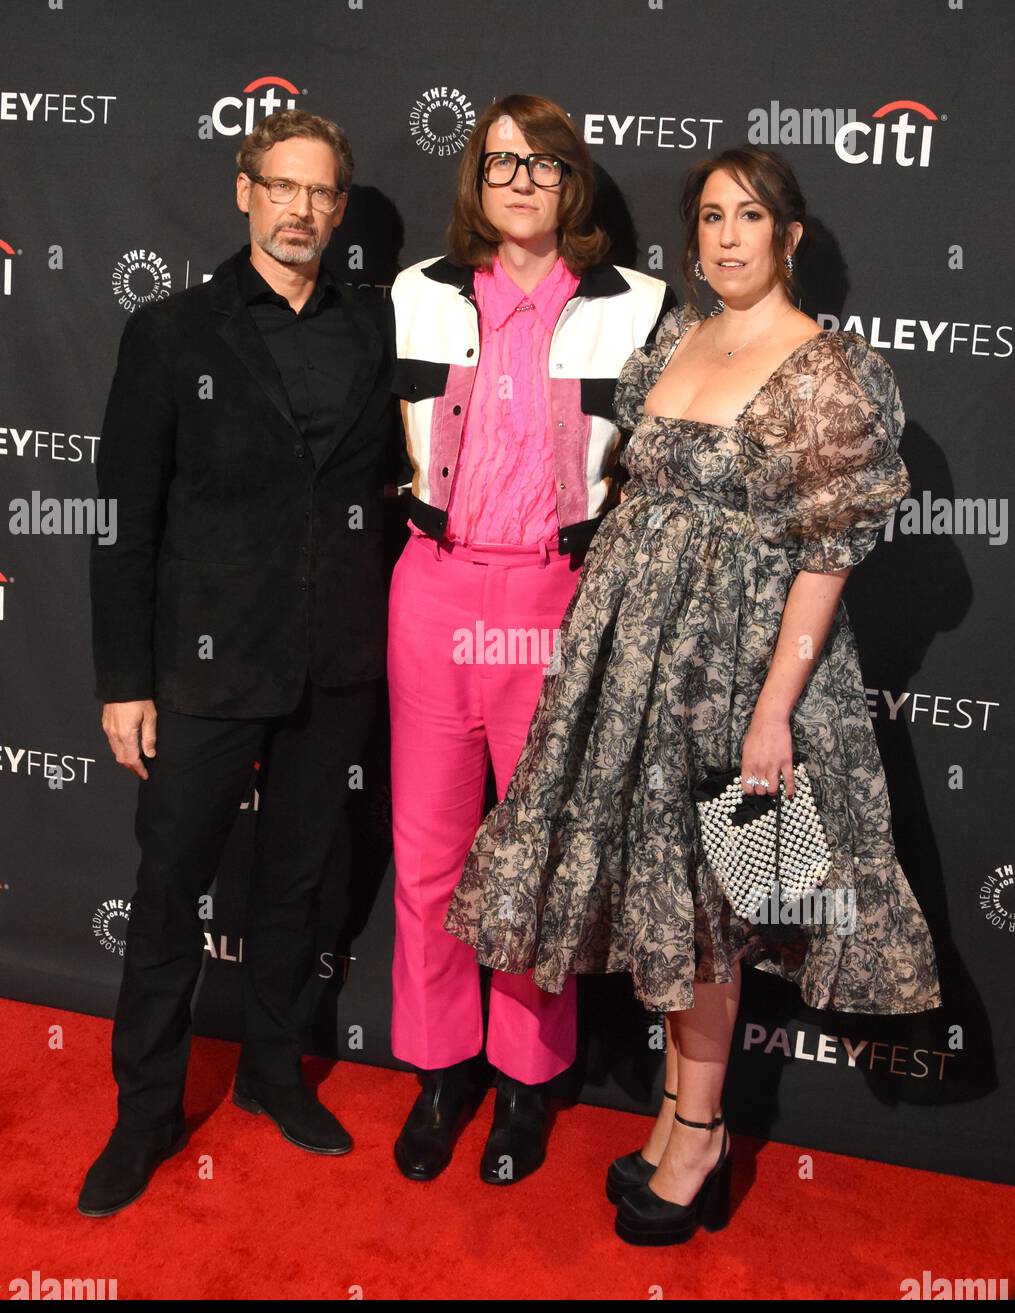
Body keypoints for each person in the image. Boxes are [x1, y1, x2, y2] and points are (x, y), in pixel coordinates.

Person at [442, 146, 942, 1239]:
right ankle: (676, 1116)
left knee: (727, 910)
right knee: (668, 902)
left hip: (741, 680)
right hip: (633, 674)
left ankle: (703, 1134)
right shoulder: (680, 332)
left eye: (748, 216)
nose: (725, 237)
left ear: (790, 235)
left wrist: (773, 709)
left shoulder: (828, 370)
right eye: (709, 217)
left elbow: (830, 554)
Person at [80, 109, 403, 1217]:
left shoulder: (373, 324)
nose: (303, 209)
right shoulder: (172, 332)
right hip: (202, 670)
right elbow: (125, 519)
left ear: (340, 207)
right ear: (244, 190)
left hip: (336, 666)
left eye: (323, 193)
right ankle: (146, 1108)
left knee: (299, 886)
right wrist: (124, 680)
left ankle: (272, 1071)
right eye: (284, 186)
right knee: (169, 890)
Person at [387, 94, 675, 1185]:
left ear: (571, 183)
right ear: (475, 177)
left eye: (542, 163)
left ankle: (524, 1081)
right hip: (432, 594)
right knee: (429, 857)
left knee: (537, 860)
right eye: (499, 160)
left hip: (553, 602)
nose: (518, 179)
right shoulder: (417, 293)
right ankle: (437, 1068)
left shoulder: (636, 304)